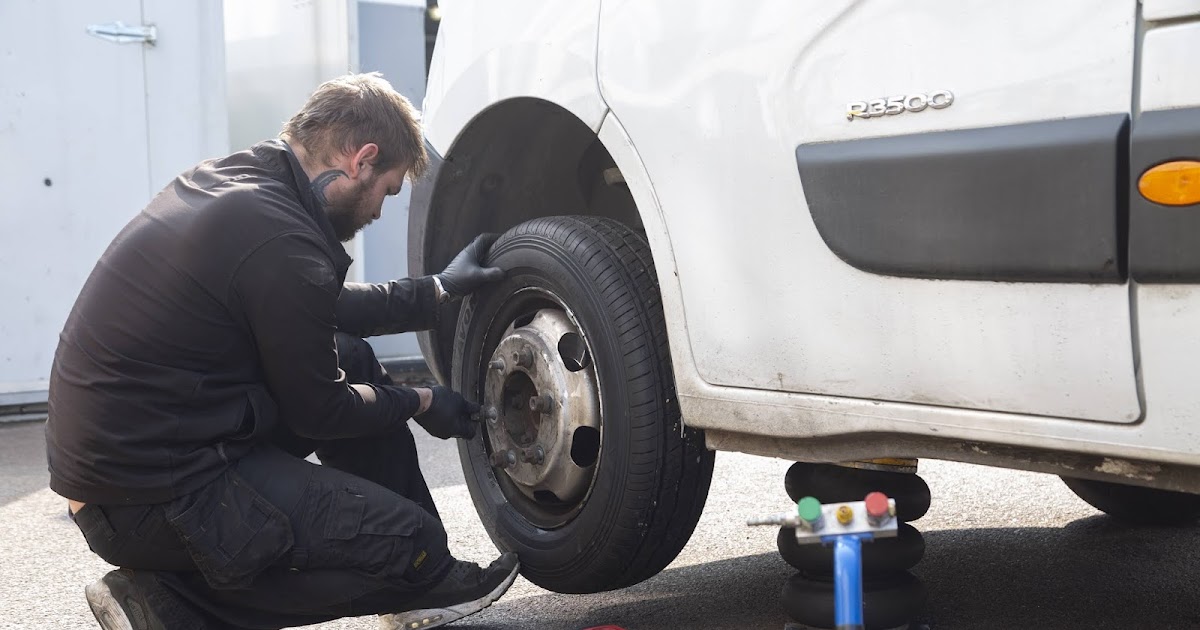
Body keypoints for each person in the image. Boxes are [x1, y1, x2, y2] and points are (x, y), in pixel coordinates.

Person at [44, 73, 518, 630]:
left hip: (146, 458)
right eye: (387, 191)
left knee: (353, 358)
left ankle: (424, 581)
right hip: (153, 497)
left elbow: (319, 306)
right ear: (361, 159)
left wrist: (439, 290)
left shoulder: (241, 186)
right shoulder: (281, 237)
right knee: (406, 542)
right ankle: (166, 604)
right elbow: (323, 411)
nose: (379, 213)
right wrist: (421, 401)